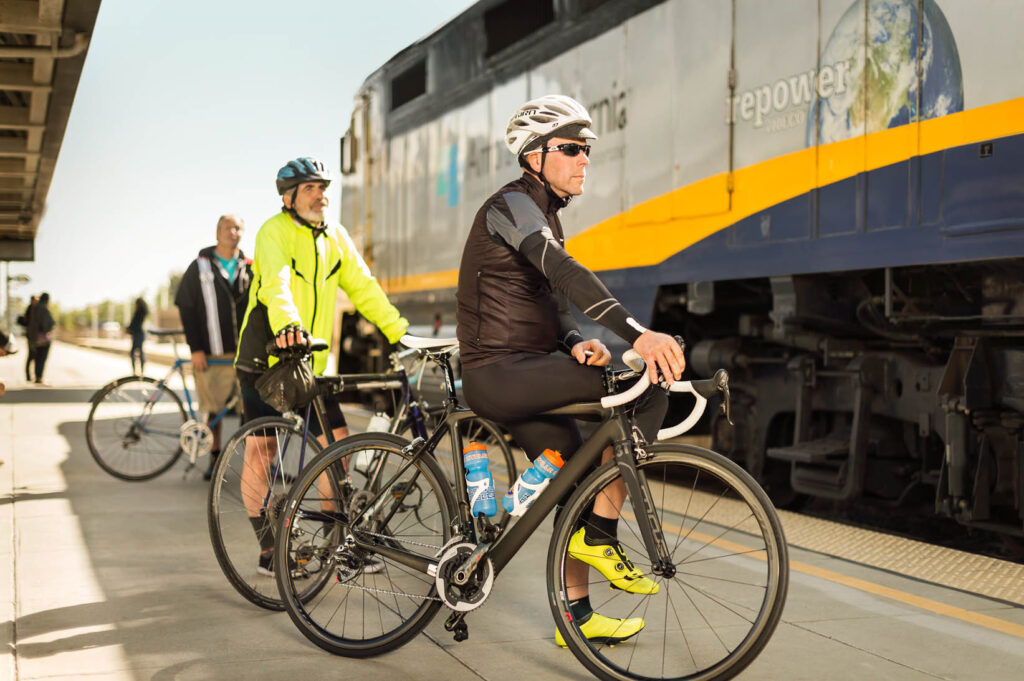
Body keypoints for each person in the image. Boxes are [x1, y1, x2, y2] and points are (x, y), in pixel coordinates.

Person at [455, 95, 687, 646]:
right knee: (647, 386)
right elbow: (562, 272)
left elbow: (542, 303)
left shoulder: (543, 214)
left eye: (587, 150)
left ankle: (575, 617)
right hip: (500, 372)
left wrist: (578, 340)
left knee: (577, 478)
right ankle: (600, 536)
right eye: (572, 149)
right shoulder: (511, 208)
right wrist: (640, 335)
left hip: (525, 366)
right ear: (534, 156)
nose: (585, 159)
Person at [234, 157, 409, 575]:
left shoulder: (336, 237)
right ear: (288, 196)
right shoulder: (272, 232)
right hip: (267, 356)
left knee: (338, 449)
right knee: (263, 450)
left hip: (311, 363)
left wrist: (398, 329)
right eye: (311, 188)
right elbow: (275, 285)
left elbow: (363, 286)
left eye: (323, 187)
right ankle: (267, 550)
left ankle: (338, 546)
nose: (321, 195)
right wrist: (289, 324)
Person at [175, 214, 252, 480]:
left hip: (244, 353)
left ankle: (252, 467)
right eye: (228, 227)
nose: (233, 232)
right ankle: (215, 461)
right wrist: (196, 348)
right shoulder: (199, 267)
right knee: (214, 410)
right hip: (212, 352)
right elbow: (186, 307)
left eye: (238, 228)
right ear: (218, 231)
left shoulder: (250, 267)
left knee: (251, 408)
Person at [27, 292, 55, 385]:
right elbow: (50, 323)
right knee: (42, 357)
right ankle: (39, 377)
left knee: (36, 357)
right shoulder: (44, 308)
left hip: (33, 337)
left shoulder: (34, 307)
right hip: (42, 337)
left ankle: (36, 376)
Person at [126, 298, 149, 375]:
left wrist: (128, 329)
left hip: (137, 335)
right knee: (140, 352)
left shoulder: (138, 313)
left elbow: (134, 324)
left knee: (133, 353)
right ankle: (141, 371)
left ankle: (135, 371)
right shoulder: (143, 312)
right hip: (140, 334)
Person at [18, 295, 37, 381]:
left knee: (33, 356)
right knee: (31, 355)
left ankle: (32, 375)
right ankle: (28, 375)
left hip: (32, 336)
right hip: (31, 336)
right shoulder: (31, 309)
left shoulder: (34, 309)